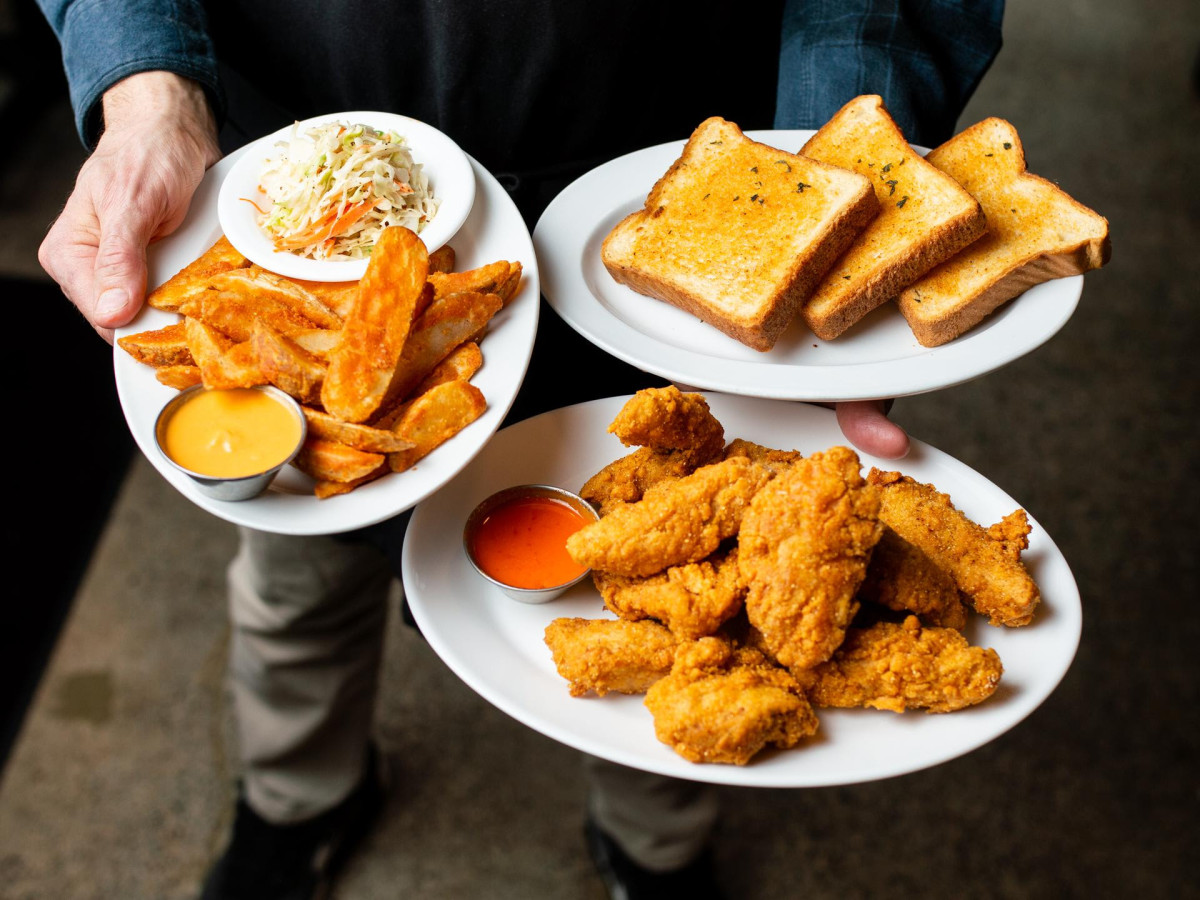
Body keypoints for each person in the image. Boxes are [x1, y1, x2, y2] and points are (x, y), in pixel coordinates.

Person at [33, 2, 1004, 898]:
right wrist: (143, 83)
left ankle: (656, 840)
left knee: (703, 616)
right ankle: (297, 797)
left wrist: (836, 223)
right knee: (297, 575)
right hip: (310, 195)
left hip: (656, 202)